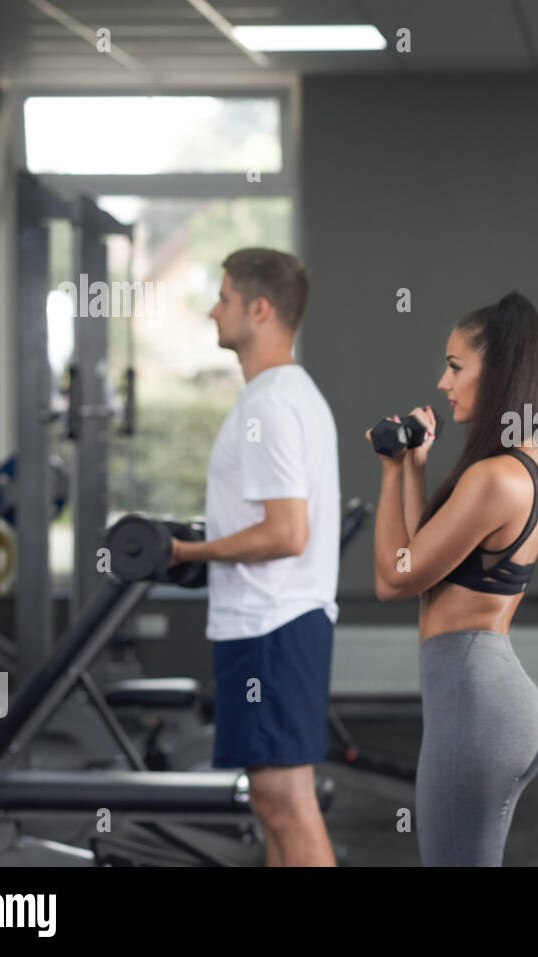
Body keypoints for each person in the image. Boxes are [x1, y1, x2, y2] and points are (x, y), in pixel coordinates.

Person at [367, 291, 538, 866]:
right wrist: (415, 469)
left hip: (477, 710)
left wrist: (387, 474)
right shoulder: (524, 459)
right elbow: (425, 558)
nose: (443, 383)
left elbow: (394, 580)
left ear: (496, 370)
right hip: (493, 702)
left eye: (455, 366)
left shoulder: (493, 477)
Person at [169, 247, 339, 867]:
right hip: (271, 624)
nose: (214, 311)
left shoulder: (268, 405)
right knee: (273, 804)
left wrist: (190, 550)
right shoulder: (286, 396)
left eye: (225, 298)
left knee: (285, 802)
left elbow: (287, 532)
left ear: (260, 309)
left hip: (272, 624)